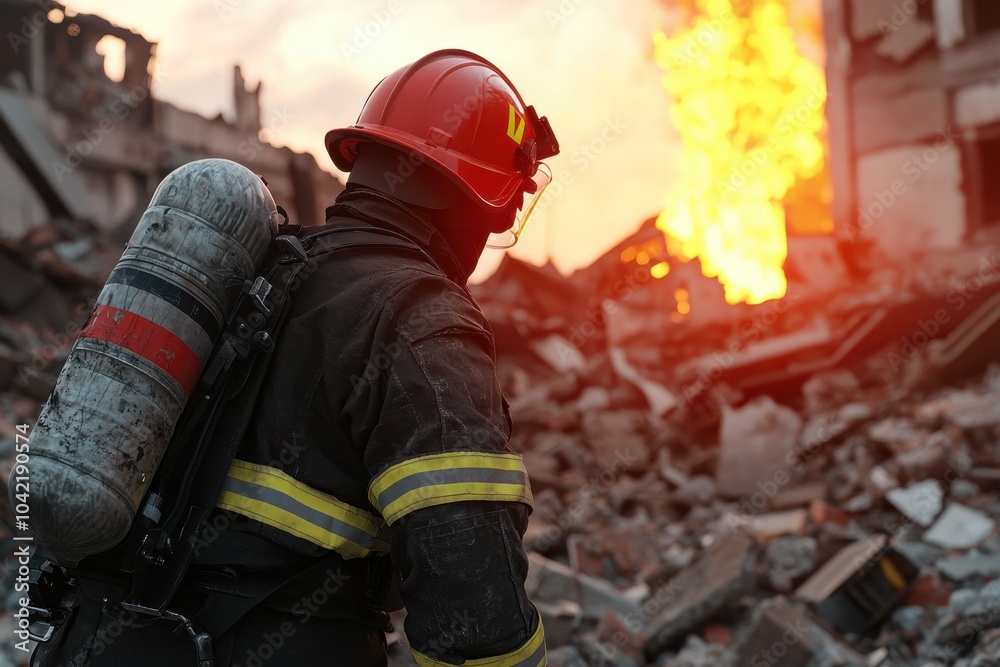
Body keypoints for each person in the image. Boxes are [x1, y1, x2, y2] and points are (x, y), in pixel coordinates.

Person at [33, 49, 559, 667]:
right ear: (483, 202)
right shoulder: (422, 316)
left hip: (95, 639)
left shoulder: (259, 271)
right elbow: (474, 610)